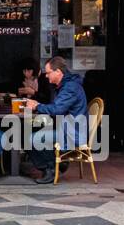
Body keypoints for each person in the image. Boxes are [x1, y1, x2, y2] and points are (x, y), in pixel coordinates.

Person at [24, 56, 89, 184]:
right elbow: (56, 108)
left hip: (72, 133)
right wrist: (39, 105)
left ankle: (51, 169)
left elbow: (57, 110)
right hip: (67, 128)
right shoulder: (64, 85)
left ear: (58, 72)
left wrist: (37, 106)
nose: (46, 76)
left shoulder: (70, 87)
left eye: (48, 73)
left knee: (32, 139)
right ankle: (57, 163)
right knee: (29, 133)